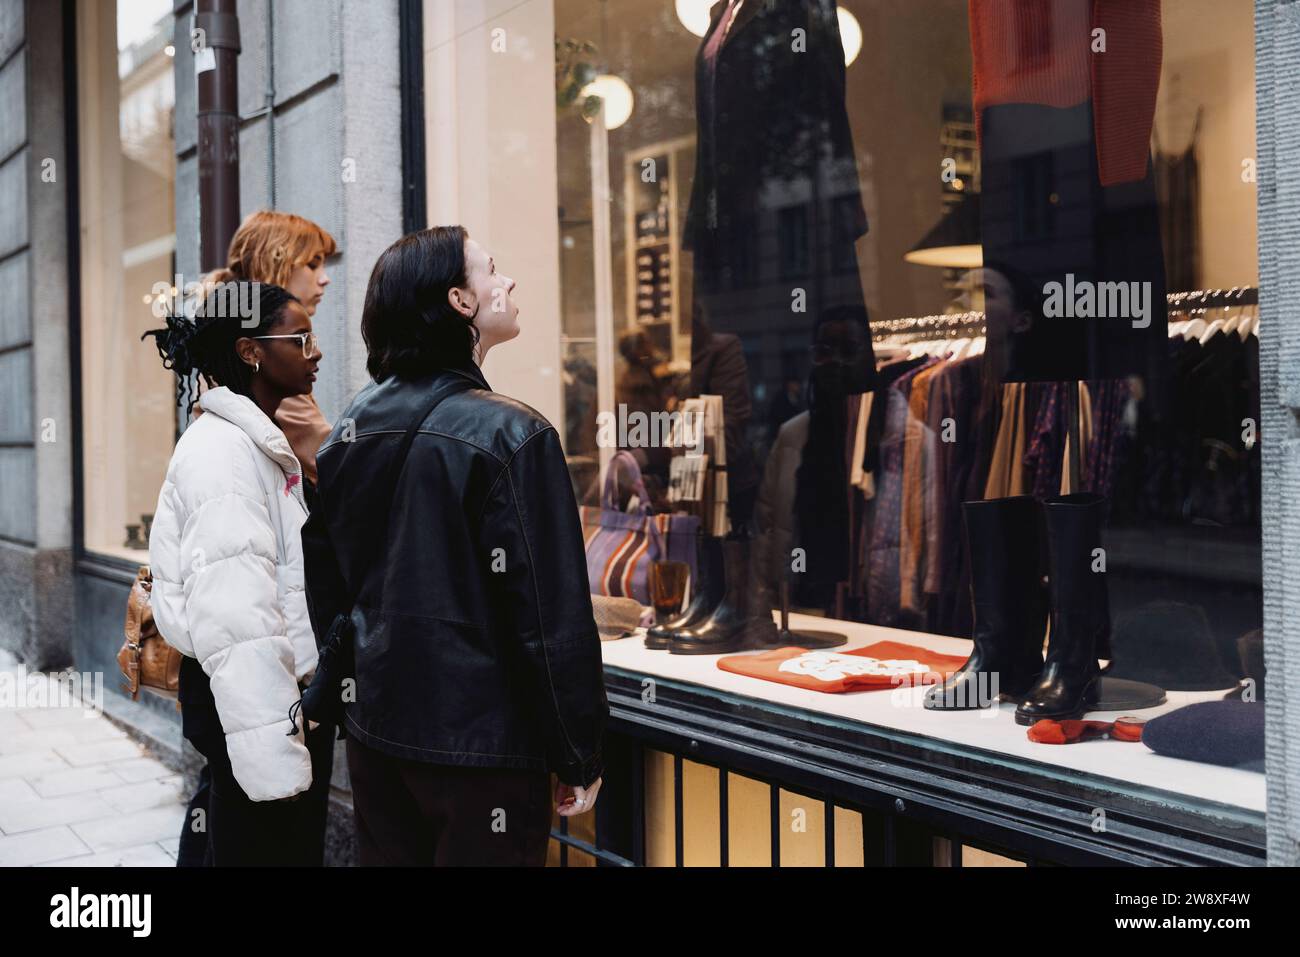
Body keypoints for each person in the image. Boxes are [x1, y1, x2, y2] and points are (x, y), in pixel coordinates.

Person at [302, 226, 608, 866]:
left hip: (377, 739)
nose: (510, 282)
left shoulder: (346, 437)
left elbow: (330, 597)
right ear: (461, 302)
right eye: (493, 270)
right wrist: (576, 752)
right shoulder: (513, 434)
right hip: (482, 756)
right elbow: (550, 619)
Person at [143, 281, 334, 866]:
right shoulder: (224, 452)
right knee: (259, 847)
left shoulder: (252, 443)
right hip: (253, 702)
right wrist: (275, 761)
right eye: (300, 339)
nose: (316, 352)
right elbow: (236, 620)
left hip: (271, 700)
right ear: (251, 351)